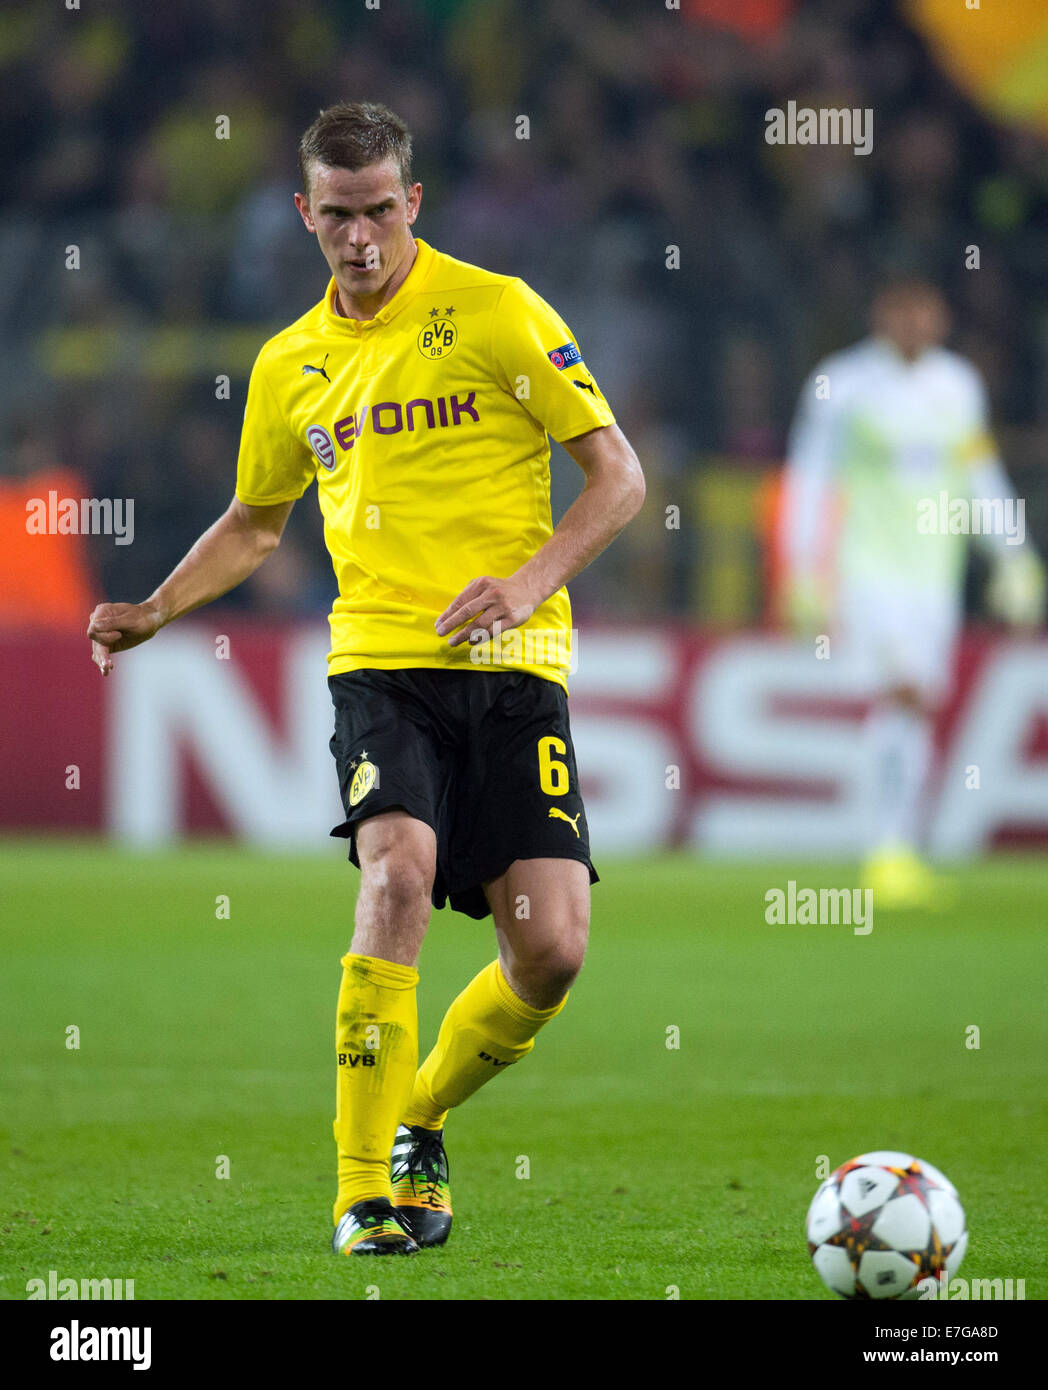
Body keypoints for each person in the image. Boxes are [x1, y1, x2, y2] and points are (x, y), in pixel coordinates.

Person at [87, 102, 645, 1256]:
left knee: (551, 952)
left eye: (380, 210)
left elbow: (619, 477)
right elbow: (253, 523)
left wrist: (529, 581)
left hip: (512, 665)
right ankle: (360, 1196)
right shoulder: (291, 364)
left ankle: (421, 1116)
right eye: (336, 215)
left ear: (413, 203)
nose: (359, 236)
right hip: (379, 660)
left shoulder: (496, 310)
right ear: (305, 213)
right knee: (395, 880)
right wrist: (157, 607)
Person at [779, 276, 1044, 906]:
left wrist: (1016, 556)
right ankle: (887, 852)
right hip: (868, 571)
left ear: (941, 316)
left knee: (917, 703)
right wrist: (801, 567)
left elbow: (981, 476)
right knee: (900, 695)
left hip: (934, 578)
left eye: (927, 309)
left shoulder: (957, 385)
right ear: (882, 311)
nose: (915, 321)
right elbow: (810, 477)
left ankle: (898, 847)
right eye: (903, 308)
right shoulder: (842, 384)